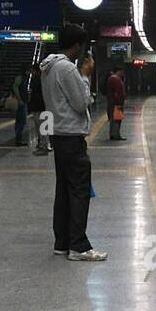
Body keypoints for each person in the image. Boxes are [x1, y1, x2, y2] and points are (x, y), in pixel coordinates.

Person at [41, 25, 106, 261]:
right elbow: (81, 102)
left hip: (58, 135)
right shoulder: (67, 69)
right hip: (71, 137)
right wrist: (86, 75)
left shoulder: (47, 67)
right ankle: (79, 246)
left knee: (64, 190)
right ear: (78, 45)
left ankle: (63, 241)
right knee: (79, 191)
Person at [28, 61, 49, 155]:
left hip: (39, 106)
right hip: (43, 105)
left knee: (41, 127)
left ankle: (43, 146)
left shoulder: (38, 79)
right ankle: (44, 144)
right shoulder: (43, 79)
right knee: (43, 127)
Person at [106, 64, 126, 141]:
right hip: (116, 104)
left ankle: (112, 134)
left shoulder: (111, 78)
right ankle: (116, 135)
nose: (122, 73)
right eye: (121, 71)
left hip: (112, 103)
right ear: (118, 71)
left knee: (113, 119)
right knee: (117, 120)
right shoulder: (115, 79)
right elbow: (117, 93)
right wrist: (119, 103)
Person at [11, 70, 28, 147]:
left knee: (20, 121)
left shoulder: (23, 78)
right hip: (21, 102)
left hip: (23, 101)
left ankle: (19, 138)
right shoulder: (20, 78)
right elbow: (15, 88)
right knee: (21, 121)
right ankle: (19, 139)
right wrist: (20, 99)